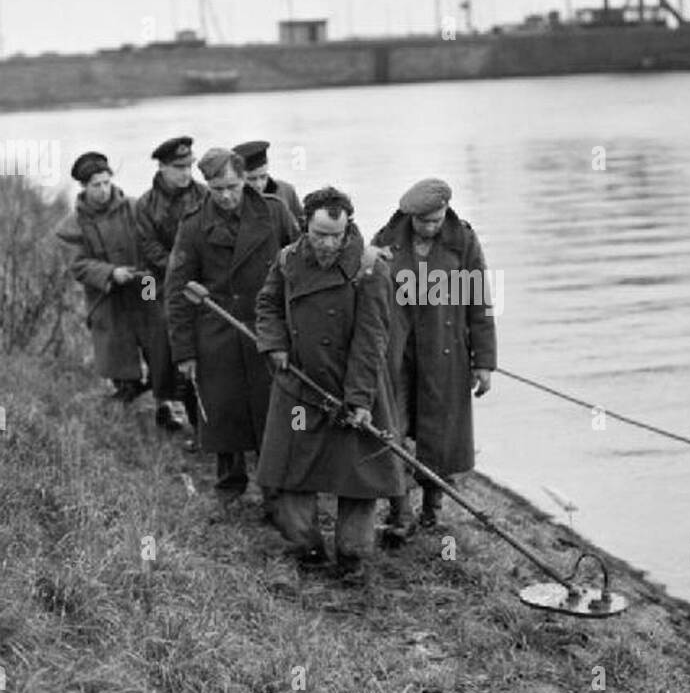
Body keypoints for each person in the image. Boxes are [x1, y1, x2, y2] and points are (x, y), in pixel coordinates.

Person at [255, 186, 401, 581]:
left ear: (347, 227)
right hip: (299, 388)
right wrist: (274, 344)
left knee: (358, 477)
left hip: (352, 385)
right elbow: (267, 305)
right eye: (319, 234)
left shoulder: (370, 268)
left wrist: (359, 399)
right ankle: (307, 551)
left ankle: (352, 559)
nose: (327, 243)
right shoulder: (287, 260)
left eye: (335, 235)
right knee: (292, 470)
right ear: (306, 226)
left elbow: (371, 340)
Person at [164, 147, 297, 514]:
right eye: (217, 188)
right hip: (217, 335)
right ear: (207, 185)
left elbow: (301, 262)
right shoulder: (193, 226)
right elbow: (177, 291)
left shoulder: (274, 212)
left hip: (267, 331)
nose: (226, 195)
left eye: (233, 186)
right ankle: (229, 488)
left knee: (273, 413)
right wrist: (185, 352)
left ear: (245, 179)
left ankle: (277, 490)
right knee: (222, 414)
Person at [371, 177, 496, 542]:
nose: (429, 228)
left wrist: (484, 362)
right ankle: (399, 512)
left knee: (439, 433)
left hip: (445, 353)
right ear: (410, 216)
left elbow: (480, 305)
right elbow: (369, 294)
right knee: (391, 428)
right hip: (397, 355)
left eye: (435, 221)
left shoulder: (463, 243)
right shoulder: (386, 240)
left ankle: (432, 510)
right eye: (422, 222)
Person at [54, 150, 168, 408]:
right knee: (116, 347)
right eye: (97, 185)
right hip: (106, 294)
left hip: (146, 285)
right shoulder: (72, 225)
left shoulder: (136, 207)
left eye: (107, 182)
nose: (104, 190)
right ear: (84, 187)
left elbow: (155, 241)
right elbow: (77, 264)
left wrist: (149, 270)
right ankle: (126, 392)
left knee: (159, 336)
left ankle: (166, 401)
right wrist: (110, 273)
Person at [135, 135, 206, 432]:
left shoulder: (204, 195)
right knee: (162, 332)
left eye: (189, 166)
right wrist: (178, 270)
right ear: (163, 167)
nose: (186, 173)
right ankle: (167, 401)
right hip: (159, 280)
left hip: (202, 280)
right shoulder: (146, 204)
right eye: (179, 167)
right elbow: (148, 246)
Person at [236, 140, 305, 227]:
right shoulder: (233, 199)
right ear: (239, 178)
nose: (259, 185)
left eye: (263, 177)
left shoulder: (286, 190)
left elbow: (303, 223)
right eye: (251, 179)